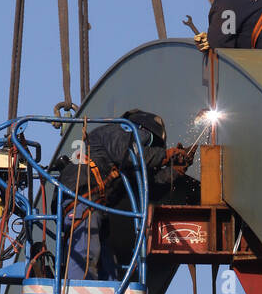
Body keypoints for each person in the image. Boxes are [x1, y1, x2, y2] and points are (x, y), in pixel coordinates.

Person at [56, 110, 195, 280]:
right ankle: (78, 289)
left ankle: (108, 291)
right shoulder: (115, 133)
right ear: (139, 130)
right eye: (150, 143)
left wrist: (175, 171)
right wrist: (165, 155)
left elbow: (148, 186)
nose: (150, 149)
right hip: (80, 202)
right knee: (86, 254)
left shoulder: (123, 165)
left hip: (94, 209)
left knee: (108, 268)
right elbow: (131, 154)